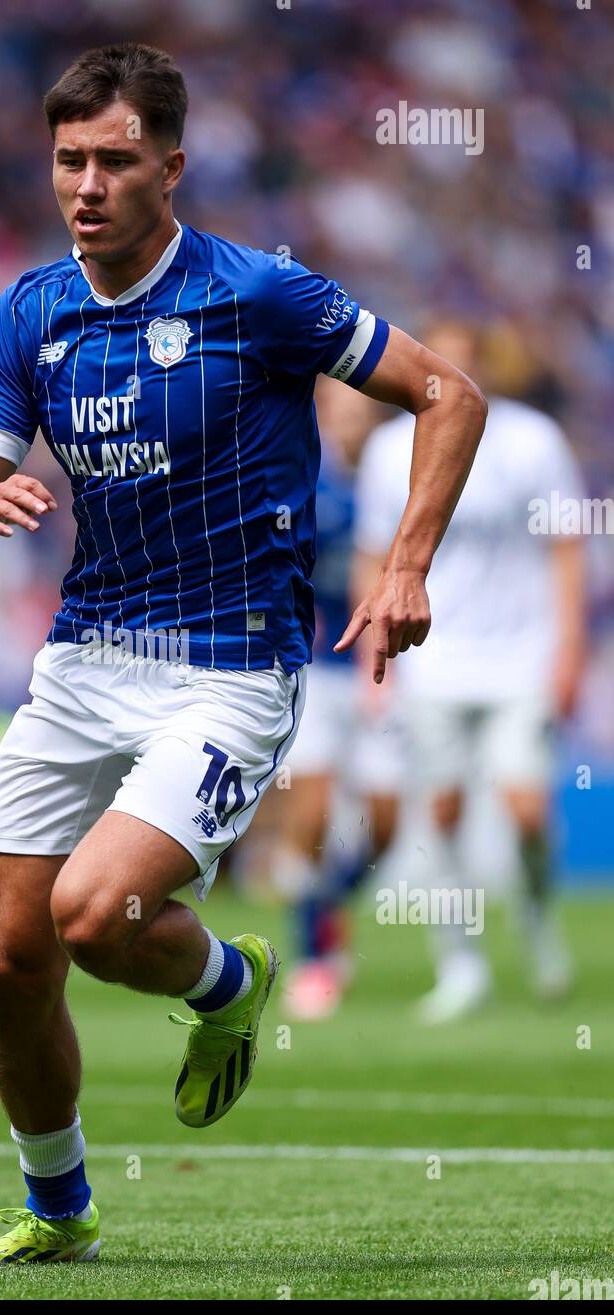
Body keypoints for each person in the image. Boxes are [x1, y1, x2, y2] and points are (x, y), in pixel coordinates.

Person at [0, 43, 486, 1266]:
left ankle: (228, 983)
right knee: (7, 958)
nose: (86, 185)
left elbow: (448, 395)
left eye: (115, 161)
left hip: (228, 667)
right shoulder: (29, 309)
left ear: (170, 168)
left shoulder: (257, 295)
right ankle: (59, 1209)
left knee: (90, 916)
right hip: (81, 660)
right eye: (69, 159)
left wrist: (402, 566)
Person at [354, 319, 586, 1023]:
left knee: (526, 810)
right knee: (445, 810)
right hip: (435, 657)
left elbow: (566, 547)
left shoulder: (529, 440)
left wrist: (569, 647)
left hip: (521, 653)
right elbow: (373, 553)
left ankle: (538, 923)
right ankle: (458, 962)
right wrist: (379, 658)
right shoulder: (389, 449)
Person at [269, 378, 404, 1020]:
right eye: (339, 411)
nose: (350, 422)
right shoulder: (300, 477)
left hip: (381, 673)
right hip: (317, 669)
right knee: (314, 817)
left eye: (360, 411)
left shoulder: (394, 481)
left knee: (383, 825)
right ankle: (312, 955)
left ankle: (331, 906)